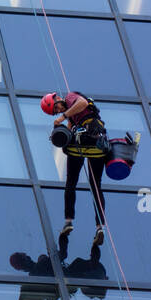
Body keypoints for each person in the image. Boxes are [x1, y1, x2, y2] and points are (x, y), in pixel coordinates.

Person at [42, 90, 108, 246]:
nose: (59, 111)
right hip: (92, 145)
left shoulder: (70, 97)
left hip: (90, 136)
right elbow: (70, 131)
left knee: (92, 185)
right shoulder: (71, 115)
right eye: (55, 112)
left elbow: (83, 103)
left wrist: (62, 118)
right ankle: (69, 221)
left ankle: (98, 227)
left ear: (58, 99)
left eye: (56, 108)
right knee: (74, 183)